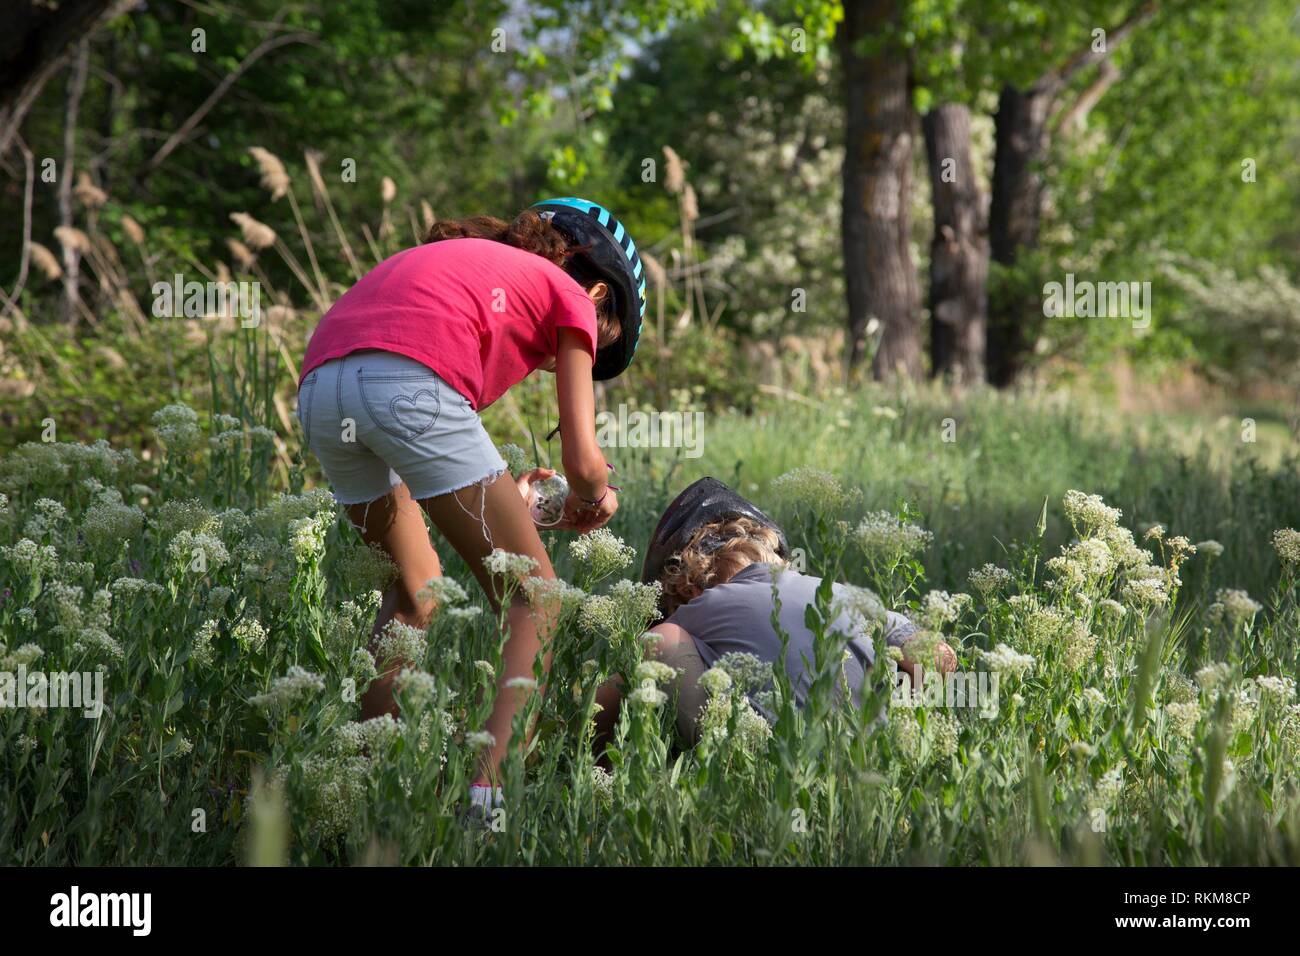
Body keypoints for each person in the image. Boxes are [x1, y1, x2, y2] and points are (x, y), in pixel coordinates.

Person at [296, 198, 647, 810]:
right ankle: (485, 804)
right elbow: (585, 464)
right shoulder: (573, 300)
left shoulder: (455, 263)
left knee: (411, 595)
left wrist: (510, 501)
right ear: (598, 292)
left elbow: (417, 435)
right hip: (409, 381)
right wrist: (594, 500)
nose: (544, 364)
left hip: (321, 386)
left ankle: (360, 792)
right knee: (535, 601)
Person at [595, 481, 956, 745]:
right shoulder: (839, 592)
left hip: (768, 761)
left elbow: (614, 693)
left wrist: (584, 731)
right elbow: (940, 657)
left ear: (689, 589)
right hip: (871, 757)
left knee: (660, 641)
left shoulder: (701, 606)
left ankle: (592, 756)